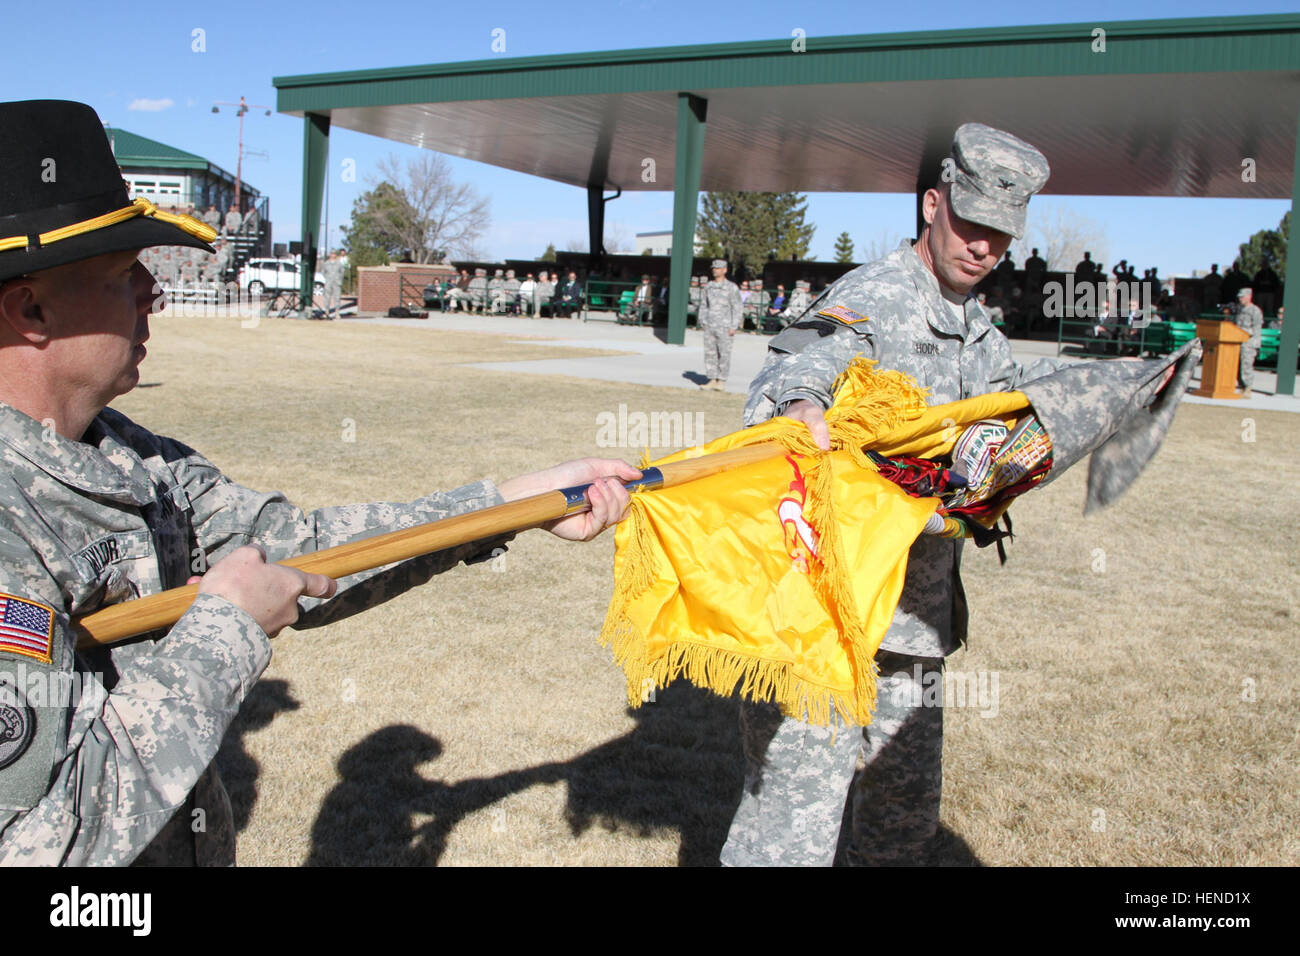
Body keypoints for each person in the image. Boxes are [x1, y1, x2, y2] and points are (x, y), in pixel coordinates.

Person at [0, 100, 637, 866]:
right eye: (119, 274)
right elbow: (40, 847)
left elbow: (299, 548)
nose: (152, 293)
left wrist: (511, 504)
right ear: (30, 308)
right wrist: (224, 635)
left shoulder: (134, 459)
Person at [728, 122, 1060, 867]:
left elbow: (1005, 448)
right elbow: (790, 370)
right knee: (788, 831)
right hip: (826, 619)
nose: (983, 248)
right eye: (971, 225)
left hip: (913, 627)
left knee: (902, 830)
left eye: (1000, 237)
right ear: (932, 206)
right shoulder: (868, 295)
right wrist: (800, 409)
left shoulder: (985, 336)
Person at [697, 258, 742, 391]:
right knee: (710, 353)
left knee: (724, 353)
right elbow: (704, 305)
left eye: (718, 268)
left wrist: (734, 325)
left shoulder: (731, 287)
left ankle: (721, 380)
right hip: (710, 325)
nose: (715, 270)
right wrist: (702, 321)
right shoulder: (709, 286)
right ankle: (712, 378)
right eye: (714, 268)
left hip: (725, 326)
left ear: (725, 270)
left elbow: (737, 307)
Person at [1233, 287, 1264, 393]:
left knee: (1246, 365)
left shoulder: (1255, 311)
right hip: (1237, 341)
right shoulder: (1239, 309)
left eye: (1242, 297)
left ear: (1249, 297)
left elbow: (1256, 329)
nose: (1240, 299)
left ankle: (1247, 387)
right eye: (1239, 297)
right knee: (1237, 366)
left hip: (1249, 343)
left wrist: (1254, 343)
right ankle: (1241, 385)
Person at [320, 249, 345, 319]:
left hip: (337, 283)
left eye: (334, 254)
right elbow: (323, 272)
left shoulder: (339, 263)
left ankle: (337, 313)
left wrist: (339, 279)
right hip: (328, 282)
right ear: (330, 254)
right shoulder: (326, 263)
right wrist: (327, 278)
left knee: (337, 297)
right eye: (332, 254)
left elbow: (342, 272)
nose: (333, 255)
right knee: (327, 297)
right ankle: (326, 312)